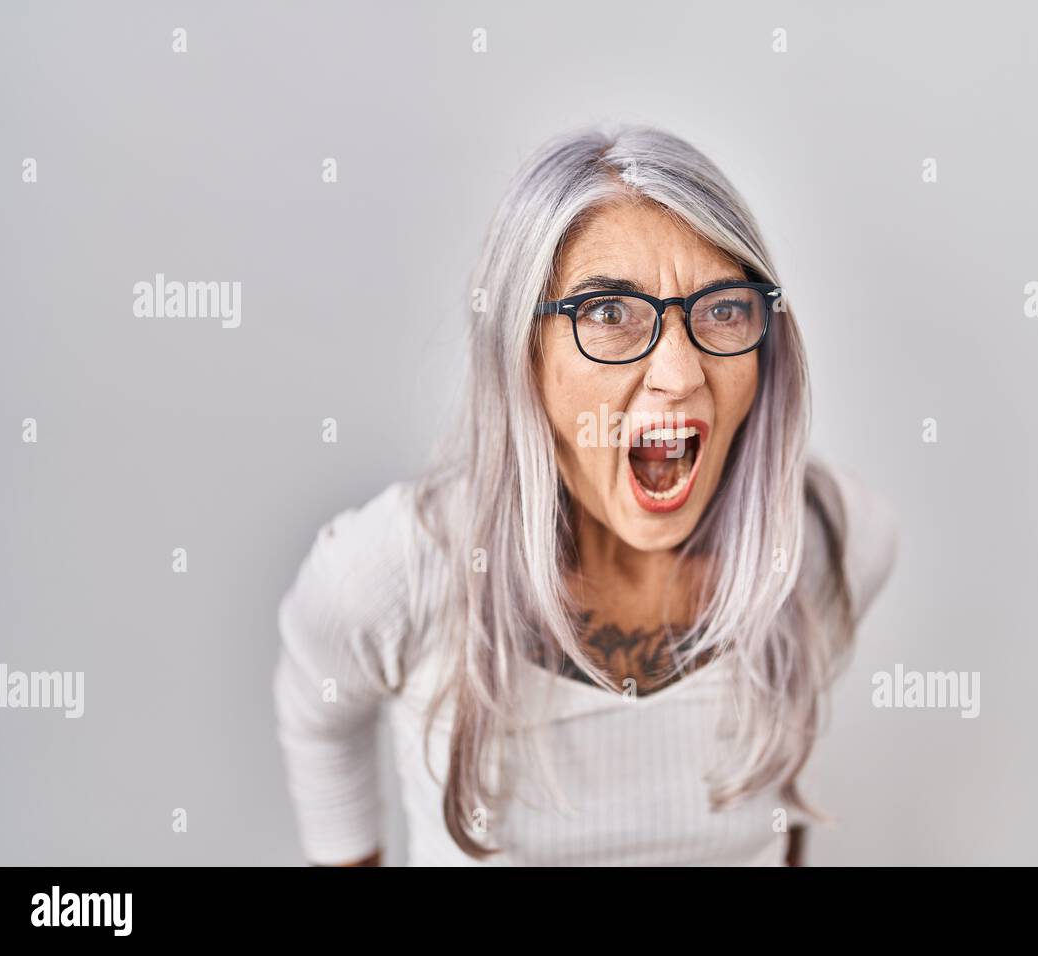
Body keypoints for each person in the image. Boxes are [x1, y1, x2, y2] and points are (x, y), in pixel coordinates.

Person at [273, 125, 898, 866]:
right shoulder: (394, 571)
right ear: (522, 353)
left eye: (723, 309)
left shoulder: (829, 540)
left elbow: (784, 801)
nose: (680, 375)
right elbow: (319, 720)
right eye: (608, 313)